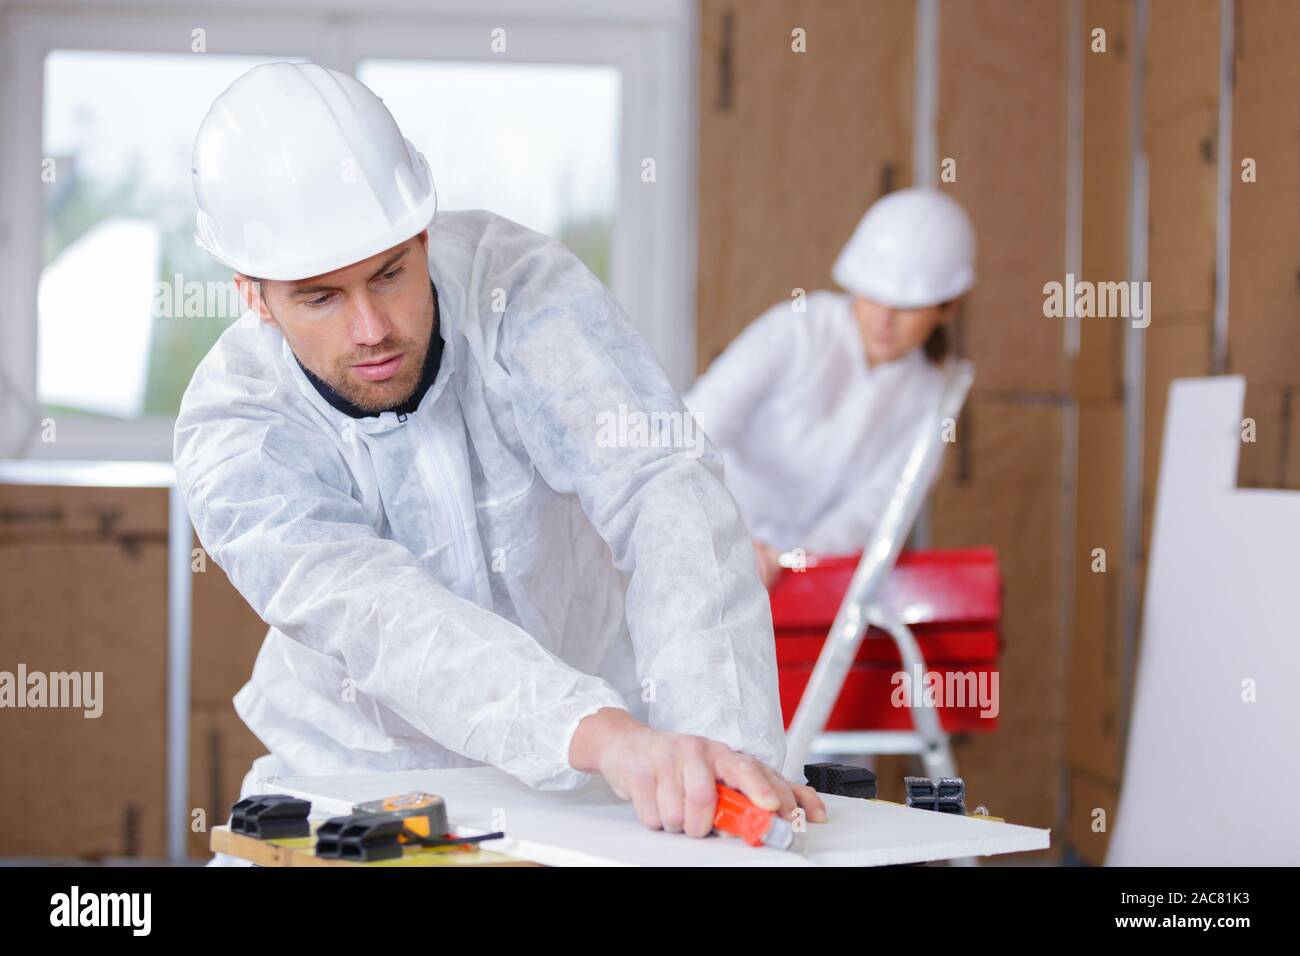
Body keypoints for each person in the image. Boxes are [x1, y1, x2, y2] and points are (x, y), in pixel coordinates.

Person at [175, 62, 825, 862]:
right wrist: (597, 732)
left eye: (390, 274)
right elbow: (381, 616)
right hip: (354, 777)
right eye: (321, 297)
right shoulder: (235, 431)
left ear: (421, 236)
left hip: (604, 779)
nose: (372, 328)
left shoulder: (515, 289)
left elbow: (661, 489)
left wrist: (719, 750)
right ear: (254, 296)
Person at [684, 189, 976, 585]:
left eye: (906, 306)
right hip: (705, 537)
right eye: (873, 294)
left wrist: (791, 562)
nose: (884, 319)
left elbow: (869, 514)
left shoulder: (931, 401)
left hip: (797, 577)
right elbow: (698, 426)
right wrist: (720, 534)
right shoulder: (799, 330)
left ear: (948, 306)